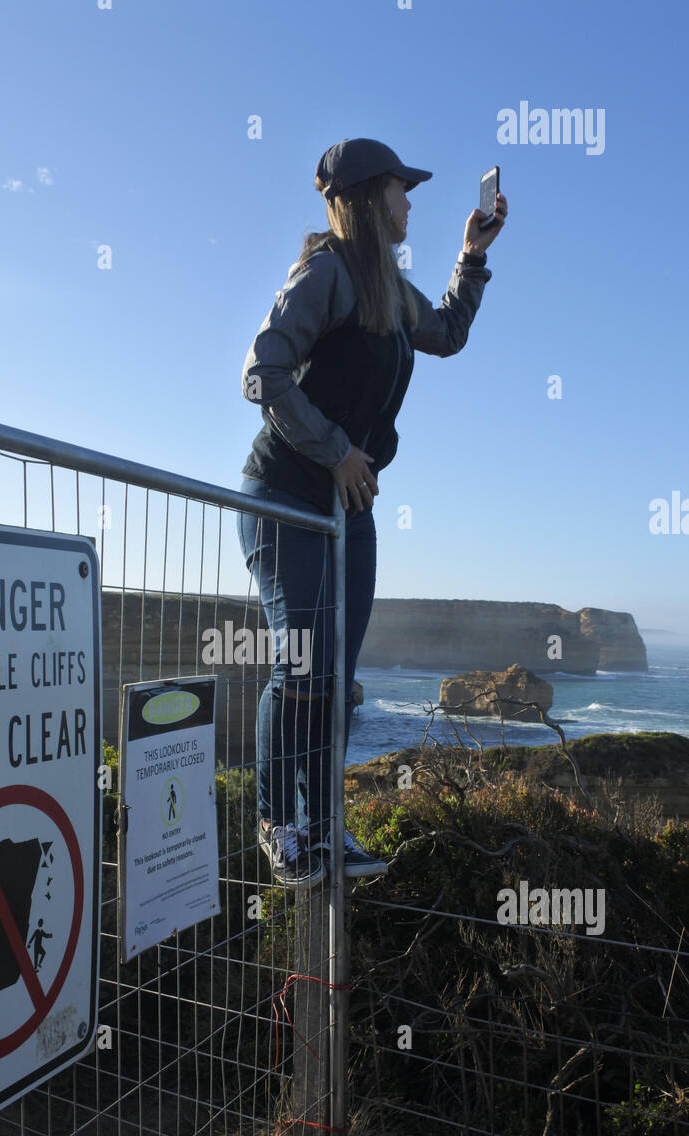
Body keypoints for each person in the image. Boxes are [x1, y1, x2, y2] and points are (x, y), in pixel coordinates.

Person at [237, 137, 507, 887]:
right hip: (286, 496)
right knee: (300, 667)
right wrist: (335, 450)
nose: (411, 201)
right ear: (364, 196)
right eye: (401, 188)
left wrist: (472, 256)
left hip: (346, 508)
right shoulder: (325, 272)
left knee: (336, 676)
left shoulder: (387, 284)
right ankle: (277, 826)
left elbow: (447, 332)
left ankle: (325, 832)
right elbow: (262, 371)